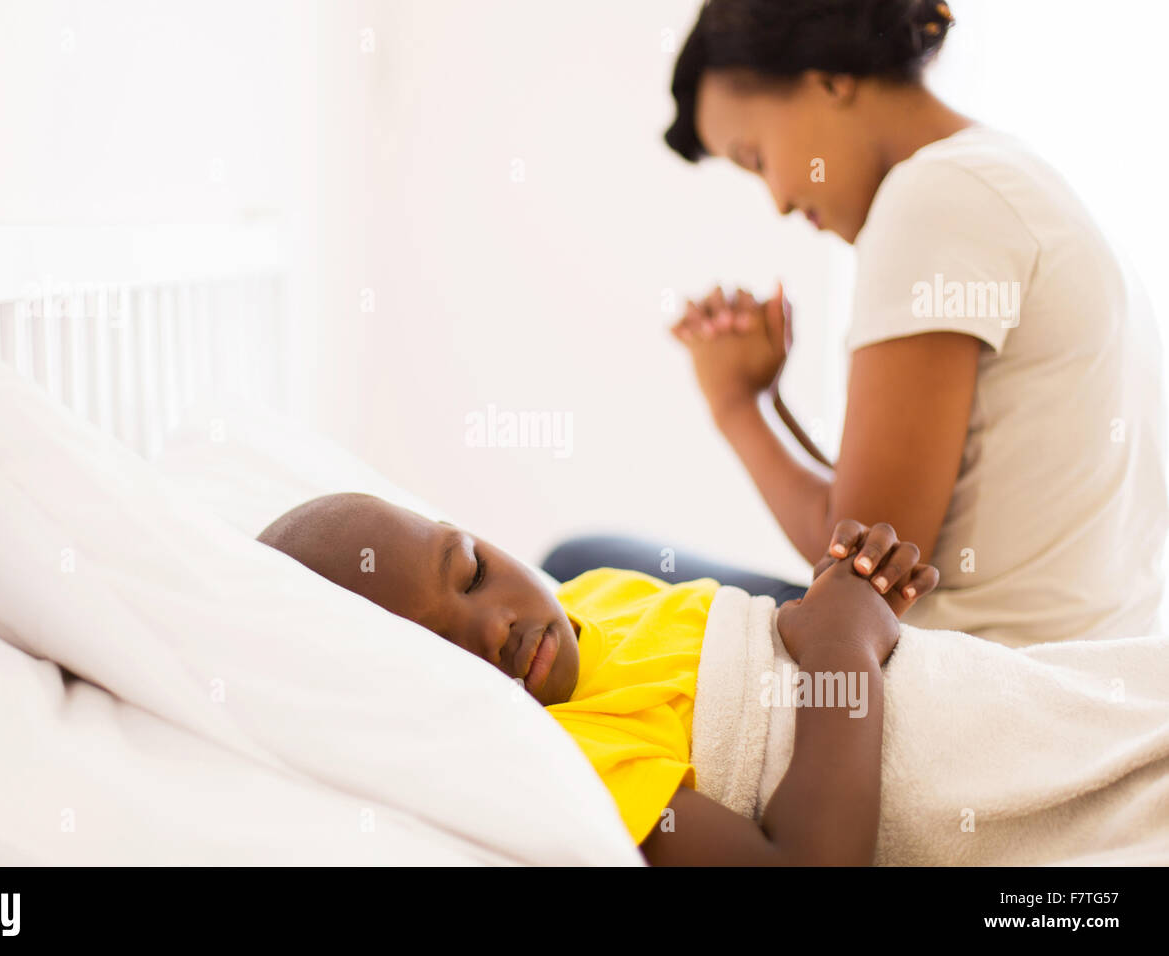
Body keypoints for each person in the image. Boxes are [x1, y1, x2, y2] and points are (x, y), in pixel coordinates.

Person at [544, 0, 1169, 647]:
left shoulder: (934, 197)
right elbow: (901, 524)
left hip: (973, 676)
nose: (781, 200)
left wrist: (734, 405)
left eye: (756, 157)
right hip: (1075, 674)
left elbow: (860, 575)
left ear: (830, 77)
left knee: (577, 569)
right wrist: (768, 400)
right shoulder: (1005, 175)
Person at [258, 492, 938, 864]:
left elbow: (770, 643)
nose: (492, 627)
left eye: (471, 573)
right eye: (440, 652)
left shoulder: (599, 591)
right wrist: (842, 647)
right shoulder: (565, 759)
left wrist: (844, 595)